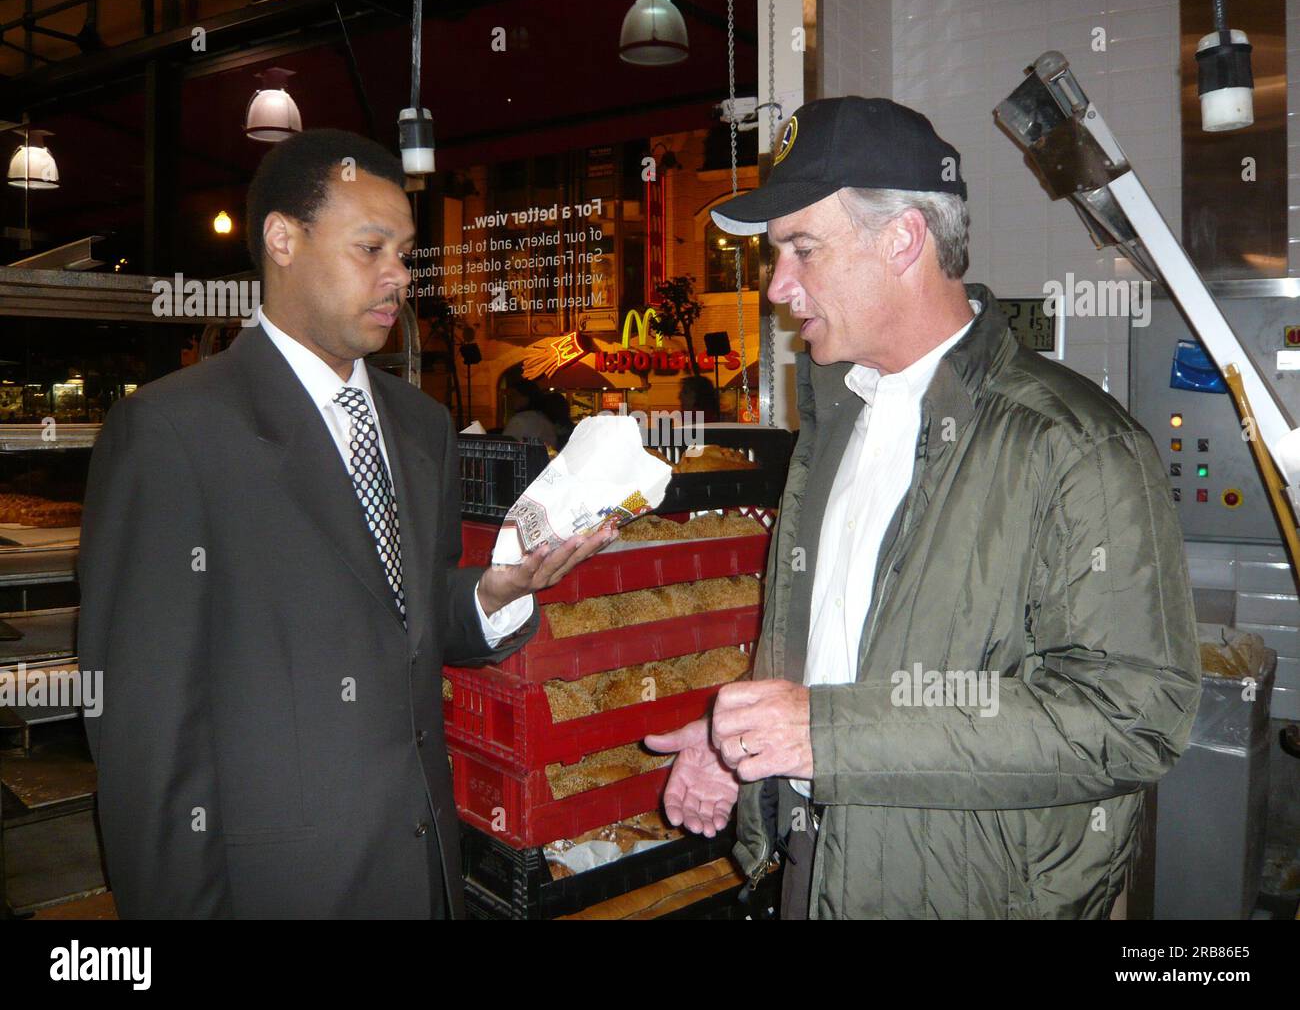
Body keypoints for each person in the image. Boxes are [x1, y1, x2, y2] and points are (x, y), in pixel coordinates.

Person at [646, 96, 1201, 919]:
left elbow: (1130, 719)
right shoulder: (836, 424)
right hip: (818, 868)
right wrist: (749, 743)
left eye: (801, 248)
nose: (777, 287)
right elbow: (840, 653)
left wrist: (828, 733)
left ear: (903, 239)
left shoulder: (1076, 445)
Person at [77, 129, 615, 919]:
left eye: (403, 252)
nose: (398, 274)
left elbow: (405, 614)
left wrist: (494, 593)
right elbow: (145, 744)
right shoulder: (172, 433)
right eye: (371, 248)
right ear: (282, 240)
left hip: (423, 872)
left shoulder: (420, 424)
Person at [502, 374, 559, 448]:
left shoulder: (519, 421)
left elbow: (504, 447)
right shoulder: (544, 418)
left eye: (515, 395)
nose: (511, 399)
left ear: (526, 397)